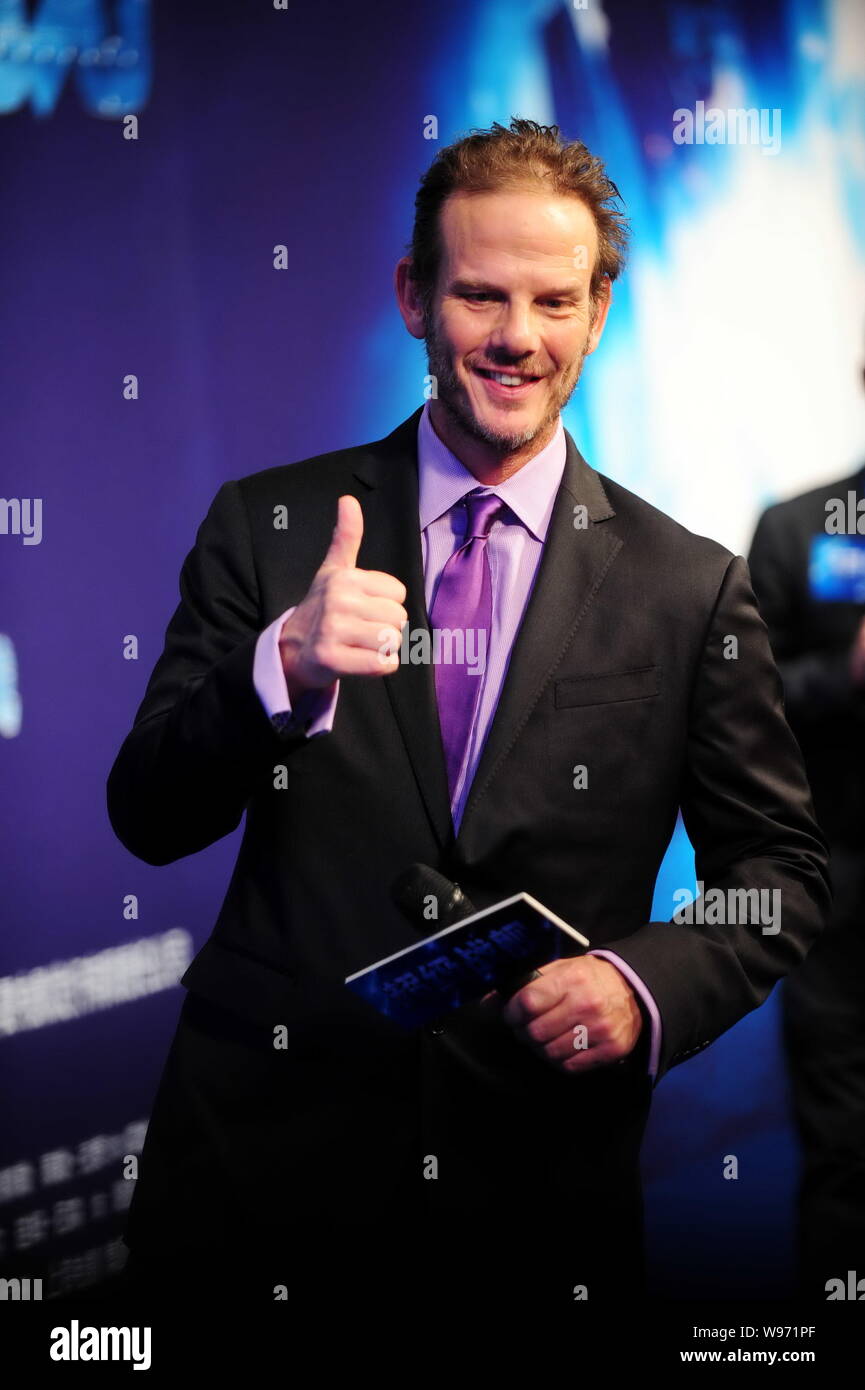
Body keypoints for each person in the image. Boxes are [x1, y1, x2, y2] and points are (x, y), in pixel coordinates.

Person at [107, 118, 829, 1315]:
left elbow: (781, 872)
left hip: (538, 1199)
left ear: (599, 310)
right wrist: (277, 667)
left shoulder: (687, 583)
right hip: (253, 1186)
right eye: (480, 295)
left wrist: (644, 985)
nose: (516, 338)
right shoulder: (271, 526)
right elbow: (148, 813)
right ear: (411, 295)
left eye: (554, 301)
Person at [748, 452, 865, 1299]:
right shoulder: (799, 526)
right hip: (841, 894)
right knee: (844, 1149)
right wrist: (845, 676)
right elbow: (742, 704)